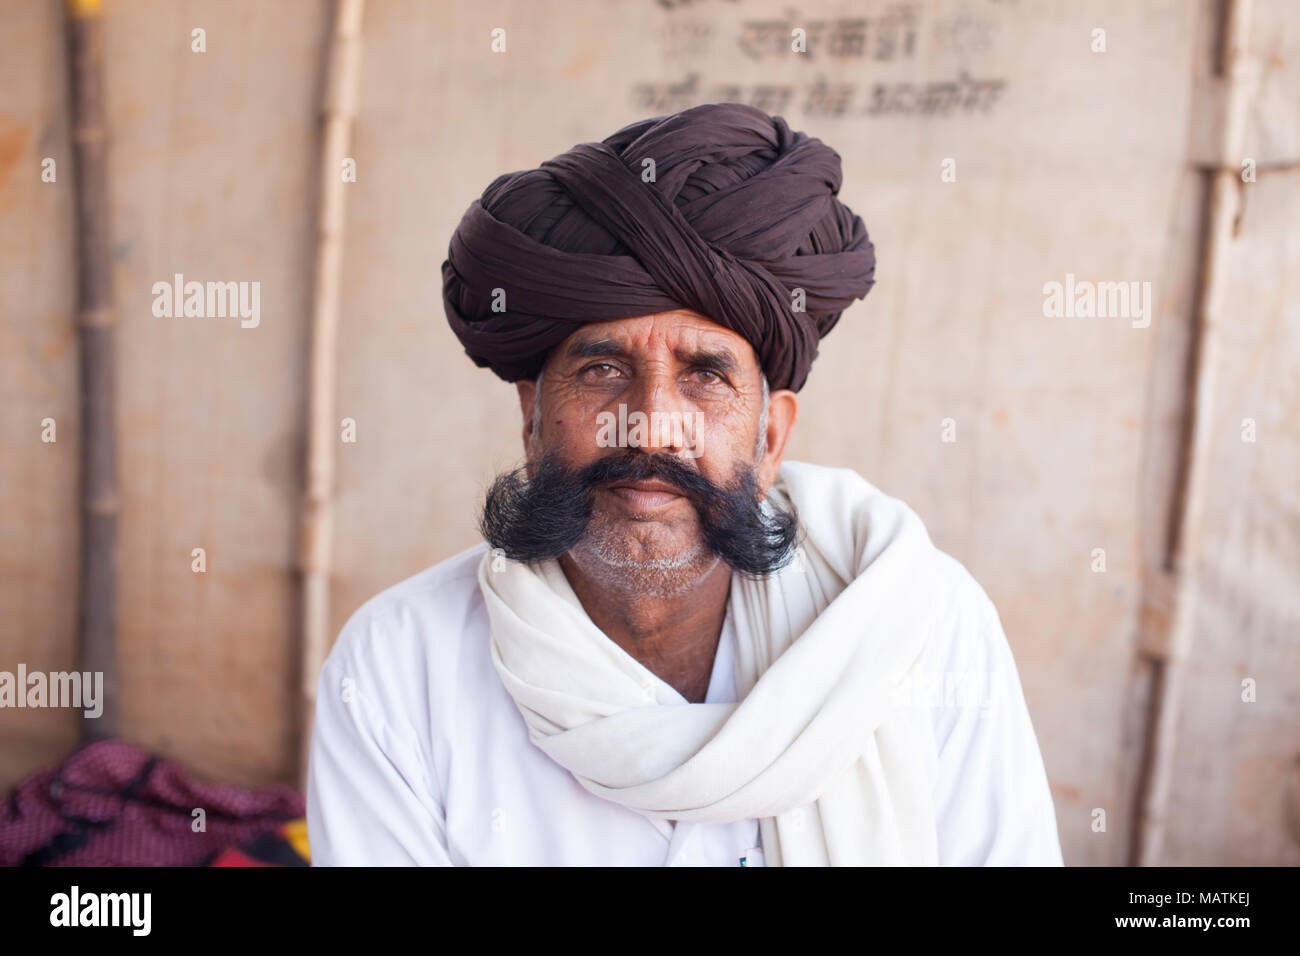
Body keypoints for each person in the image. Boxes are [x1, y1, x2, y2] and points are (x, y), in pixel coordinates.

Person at [306, 102, 1063, 866]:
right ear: (533, 421)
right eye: (603, 371)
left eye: (705, 376)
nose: (651, 426)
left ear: (769, 438)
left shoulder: (921, 627)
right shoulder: (397, 668)